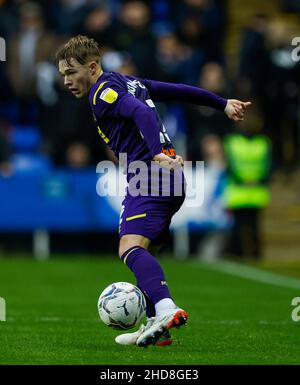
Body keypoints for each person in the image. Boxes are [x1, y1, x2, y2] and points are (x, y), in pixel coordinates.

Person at [56, 35, 250, 347]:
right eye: (62, 74)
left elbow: (142, 114)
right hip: (167, 180)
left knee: (129, 248)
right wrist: (222, 103)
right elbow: (177, 91)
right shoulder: (126, 81)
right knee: (145, 252)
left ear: (92, 67)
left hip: (151, 175)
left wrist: (157, 151)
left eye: (71, 72)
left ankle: (165, 309)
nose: (66, 80)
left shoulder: (103, 92)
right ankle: (156, 326)